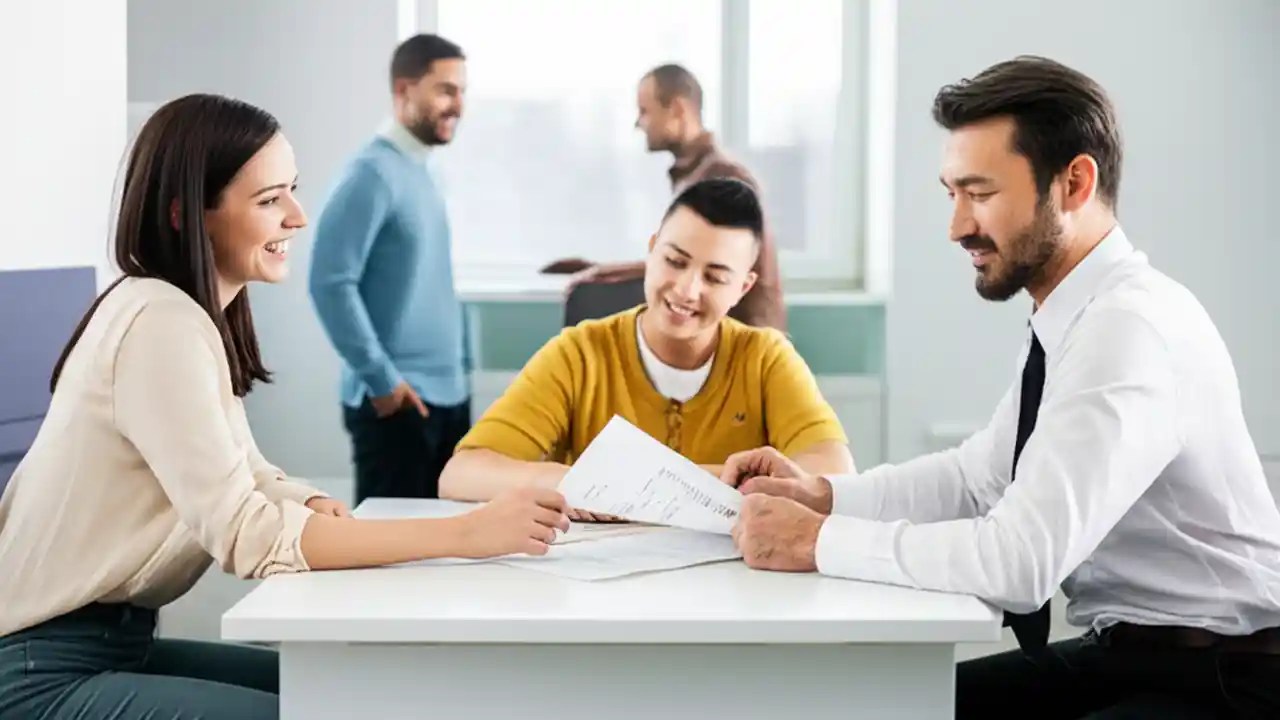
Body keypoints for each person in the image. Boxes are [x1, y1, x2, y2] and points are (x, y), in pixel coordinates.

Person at [719, 56, 1280, 718]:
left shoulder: (1127, 329)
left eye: (979, 194)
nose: (957, 226)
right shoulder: (1073, 315)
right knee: (891, 706)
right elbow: (978, 479)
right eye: (950, 193)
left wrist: (814, 542)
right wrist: (823, 496)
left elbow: (1019, 562)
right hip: (1136, 653)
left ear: (1074, 182)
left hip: (1227, 678)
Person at [0, 93, 569, 720]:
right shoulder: (159, 322)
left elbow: (248, 473)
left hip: (113, 646)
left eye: (291, 191)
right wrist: (468, 533)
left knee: (347, 696)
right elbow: (247, 536)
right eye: (270, 200)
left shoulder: (180, 317)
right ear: (187, 215)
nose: (298, 217)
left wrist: (303, 499)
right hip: (38, 670)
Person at [441, 178, 850, 516]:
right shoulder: (579, 354)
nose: (688, 290)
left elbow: (835, 476)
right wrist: (581, 485)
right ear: (652, 249)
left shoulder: (766, 359)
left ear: (742, 288)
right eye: (675, 261)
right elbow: (462, 475)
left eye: (715, 277)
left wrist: (633, 484)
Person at [309, 33, 471, 504]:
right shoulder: (371, 174)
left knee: (446, 558)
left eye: (462, 91)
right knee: (391, 567)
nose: (458, 104)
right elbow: (330, 283)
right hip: (397, 403)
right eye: (445, 90)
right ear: (404, 90)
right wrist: (382, 380)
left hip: (445, 398)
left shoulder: (423, 171)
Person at [544, 64, 787, 332]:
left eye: (645, 111)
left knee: (589, 299)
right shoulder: (697, 175)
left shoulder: (722, 178)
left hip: (738, 347)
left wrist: (601, 276)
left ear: (677, 110)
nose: (638, 124)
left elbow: (706, 272)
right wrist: (602, 269)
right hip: (713, 337)